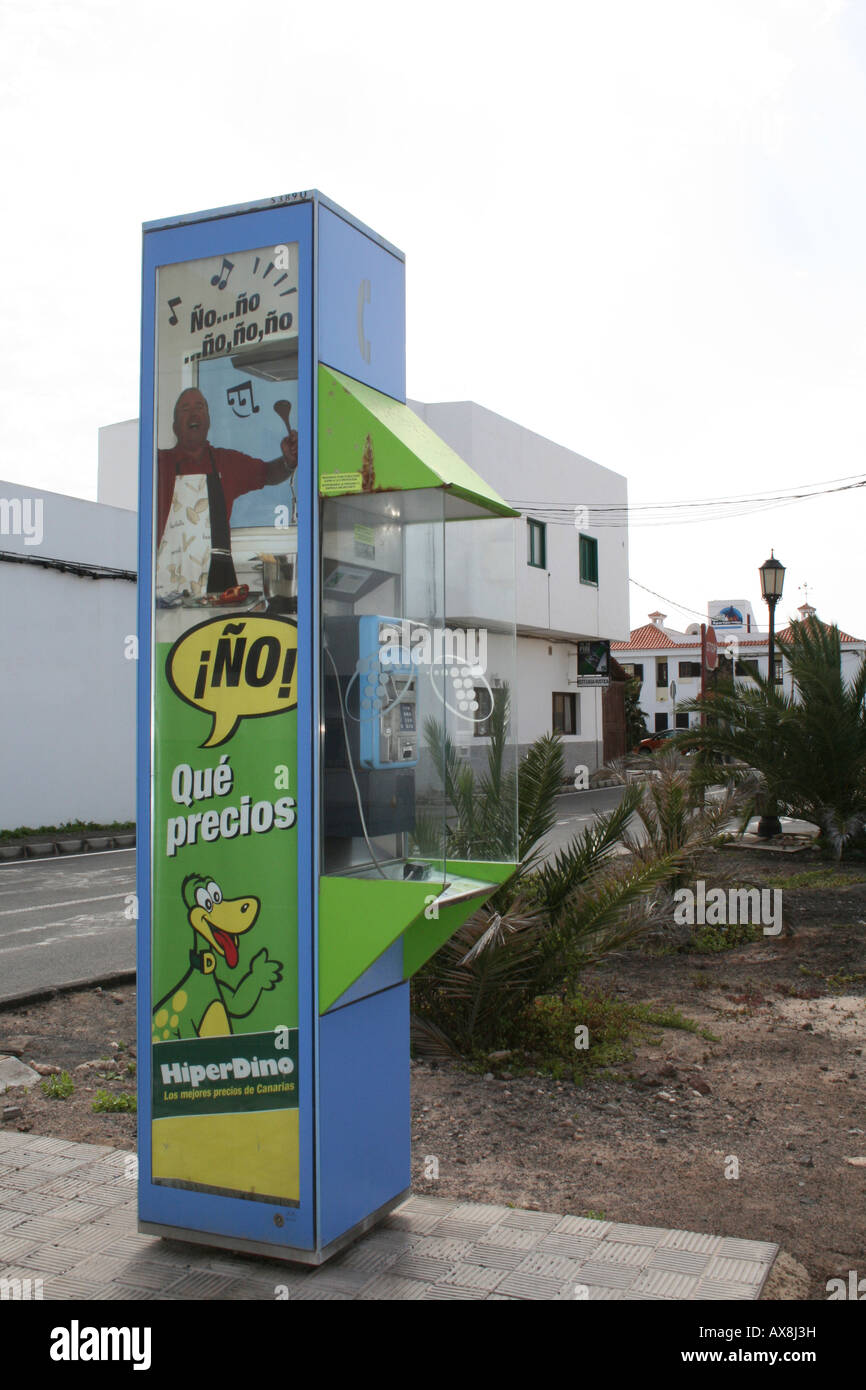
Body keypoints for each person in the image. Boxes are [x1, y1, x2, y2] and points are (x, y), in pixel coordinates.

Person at [156, 388, 297, 596]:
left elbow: (268, 473)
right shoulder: (159, 465)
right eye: (185, 409)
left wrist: (288, 462)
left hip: (216, 588)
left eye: (200, 407)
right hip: (166, 590)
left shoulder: (226, 462)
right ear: (175, 425)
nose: (194, 413)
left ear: (208, 421)